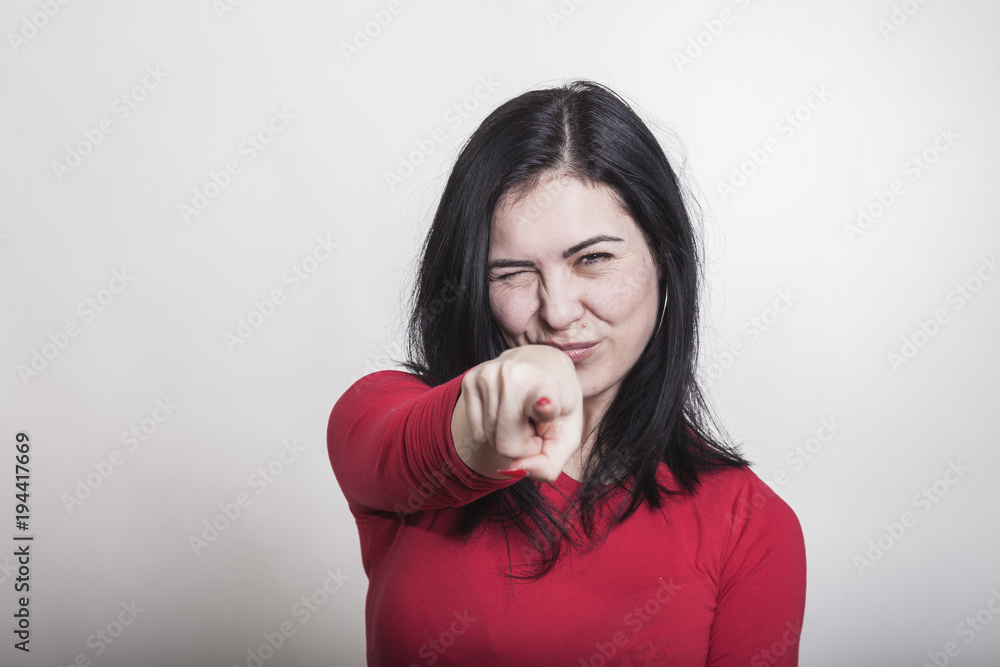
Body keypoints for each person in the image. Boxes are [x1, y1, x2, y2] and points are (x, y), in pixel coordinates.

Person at [328, 80, 806, 666]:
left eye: (594, 259)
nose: (556, 311)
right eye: (512, 273)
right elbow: (418, 447)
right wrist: (502, 409)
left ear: (665, 259)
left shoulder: (750, 527)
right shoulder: (377, 414)